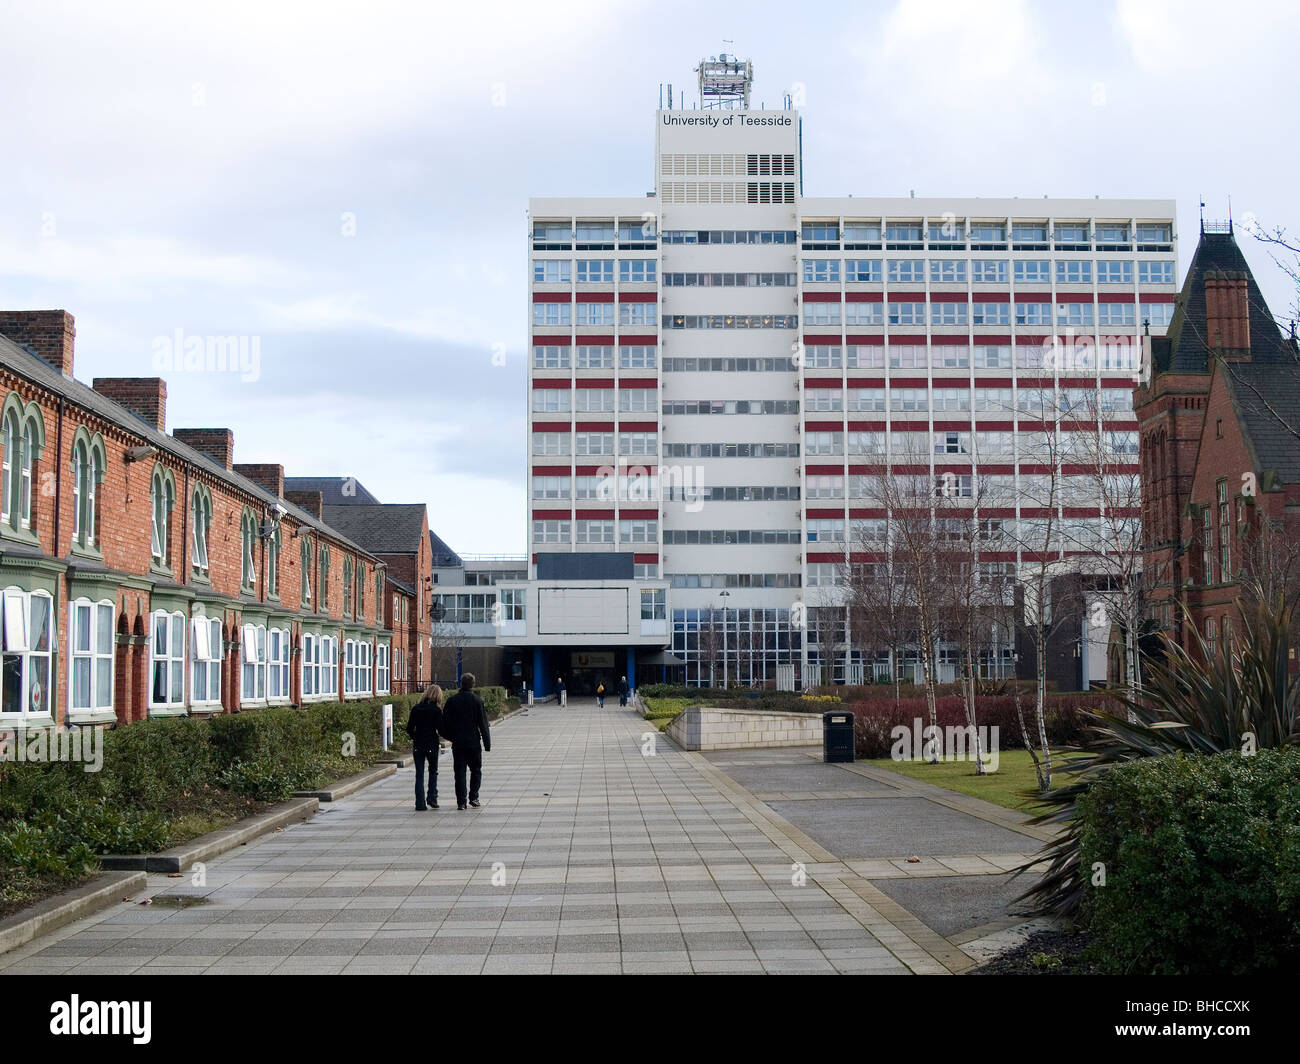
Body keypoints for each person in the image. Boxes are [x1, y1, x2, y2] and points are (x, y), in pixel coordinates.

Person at [439, 673, 491, 809]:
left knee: (459, 772)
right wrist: (487, 743)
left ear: (461, 684)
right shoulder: (477, 701)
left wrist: (451, 737)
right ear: (473, 684)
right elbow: (483, 723)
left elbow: (443, 725)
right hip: (473, 741)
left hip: (458, 742)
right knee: (476, 770)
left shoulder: (452, 701)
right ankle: (474, 797)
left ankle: (461, 801)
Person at [405, 684, 444, 810]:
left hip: (418, 744)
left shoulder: (416, 709)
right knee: (433, 772)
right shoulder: (437, 710)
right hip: (432, 743)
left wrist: (415, 737)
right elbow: (441, 729)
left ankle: (419, 803)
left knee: (419, 774)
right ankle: (432, 798)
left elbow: (409, 728)